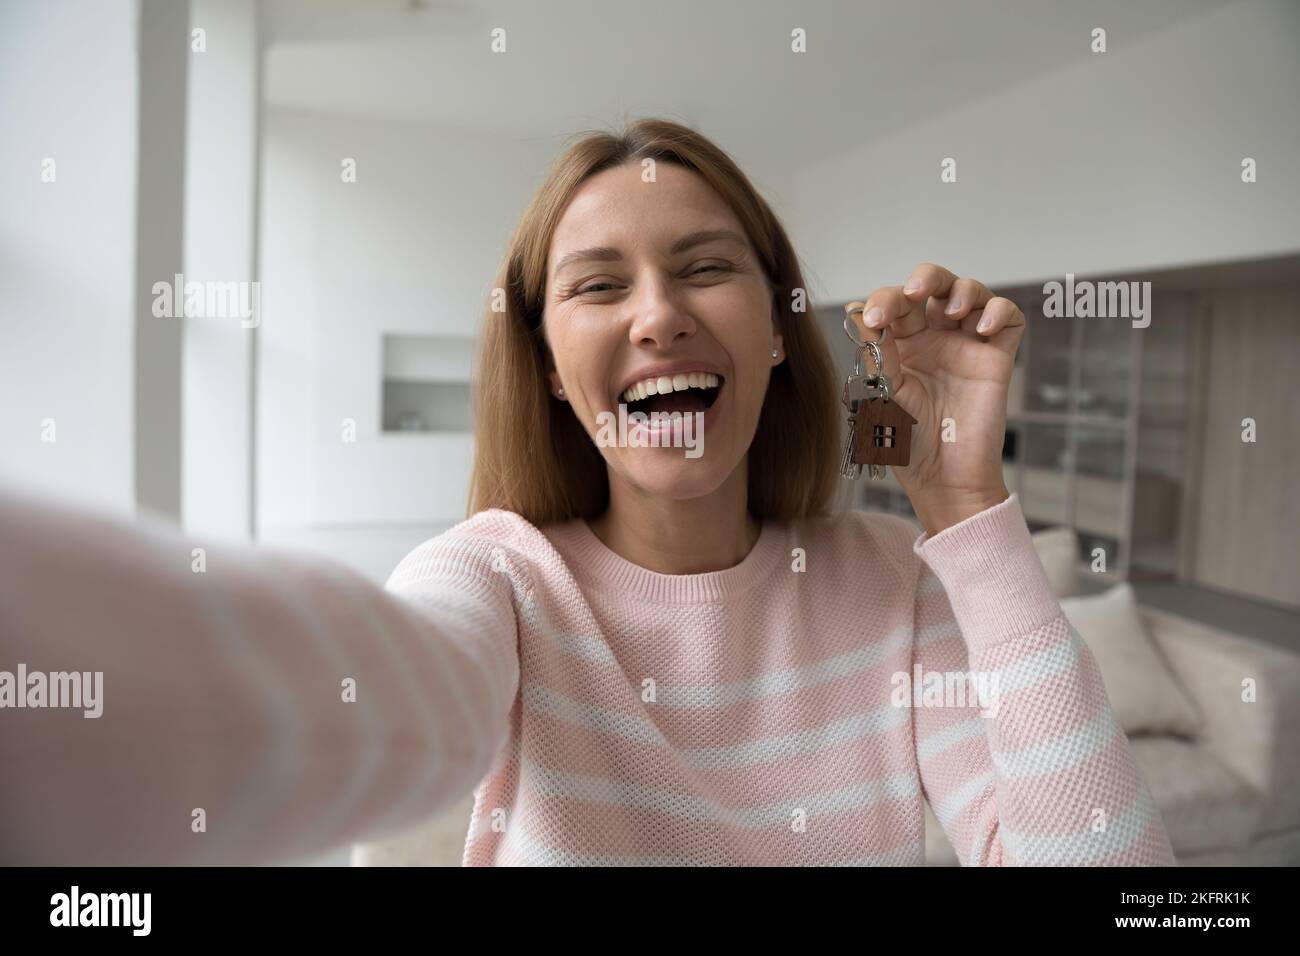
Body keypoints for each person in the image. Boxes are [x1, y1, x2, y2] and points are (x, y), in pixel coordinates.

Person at [0, 118, 1174, 866]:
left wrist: (966, 507)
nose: (658, 313)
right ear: (555, 372)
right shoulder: (499, 576)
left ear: (776, 331)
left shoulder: (890, 585)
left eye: (705, 266)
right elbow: (374, 696)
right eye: (598, 285)